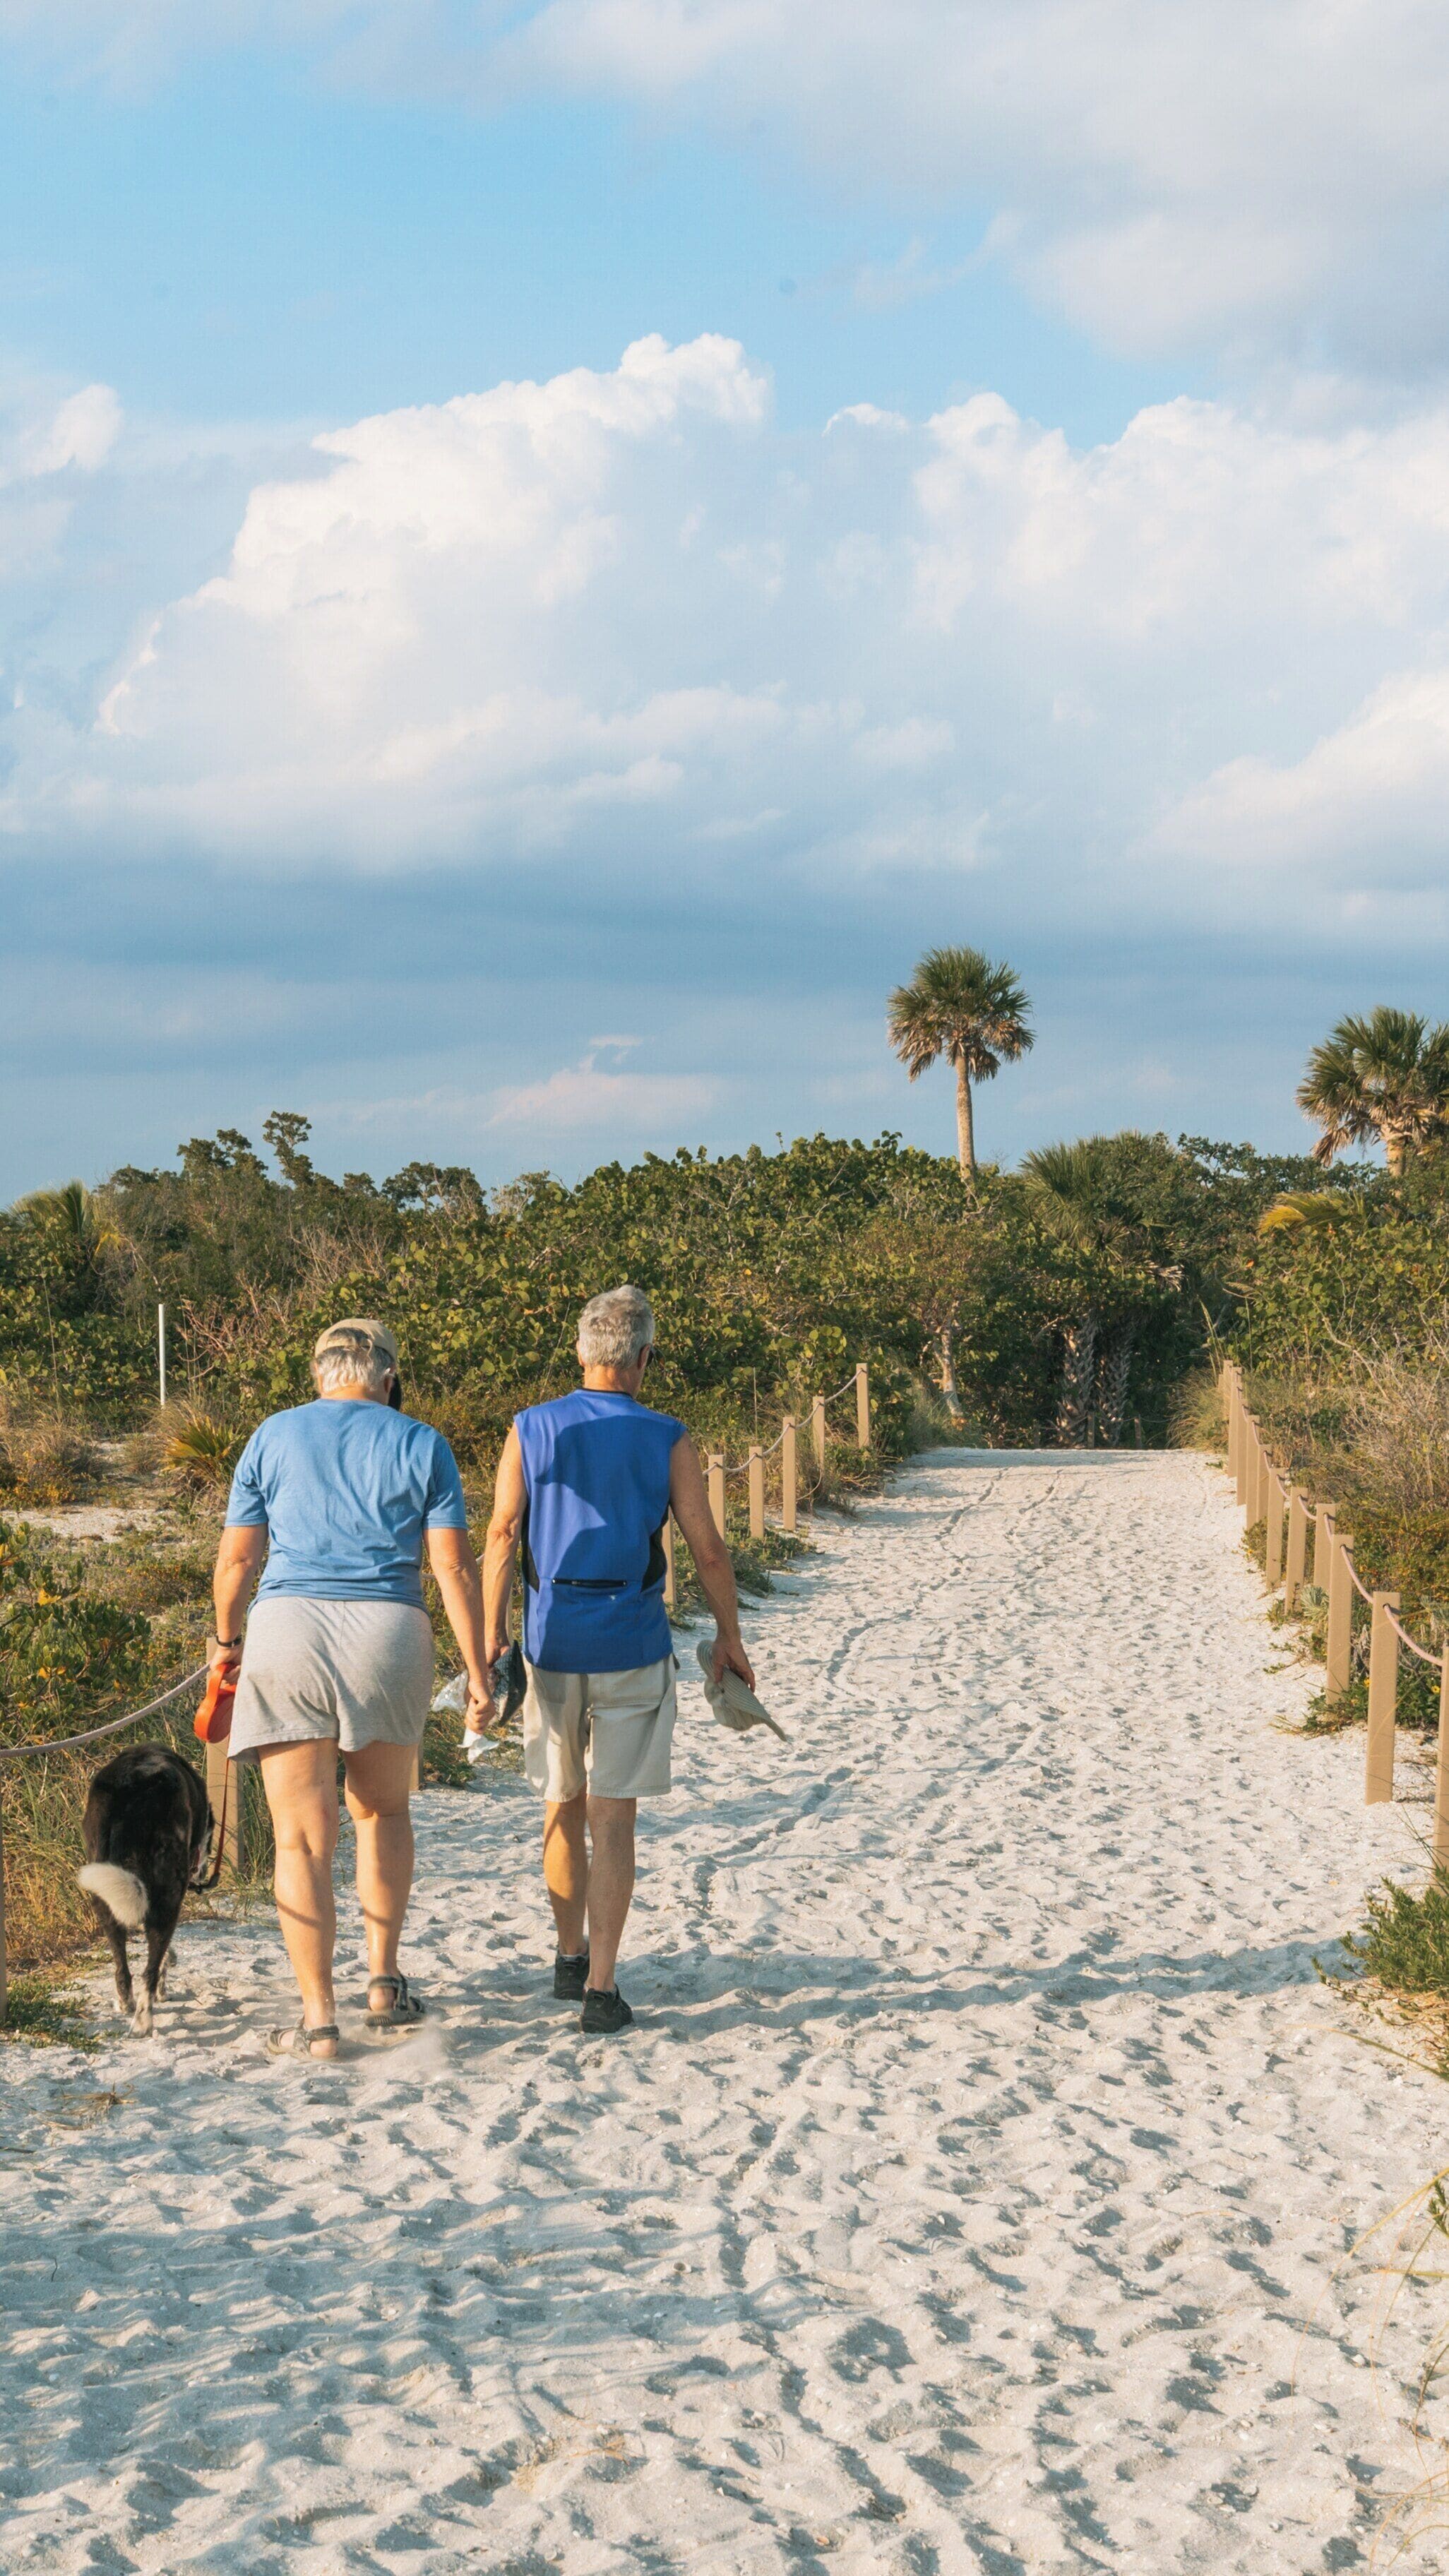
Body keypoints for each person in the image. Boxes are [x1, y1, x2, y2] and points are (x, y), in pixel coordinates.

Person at [210, 1318, 493, 2059]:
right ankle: (383, 1982)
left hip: (289, 1628)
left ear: (318, 1375)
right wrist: (480, 1668)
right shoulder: (422, 1442)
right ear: (389, 1377)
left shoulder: (273, 1434)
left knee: (302, 1837)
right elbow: (453, 1570)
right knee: (382, 1810)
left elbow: (238, 1562)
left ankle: (318, 2019)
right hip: (387, 1631)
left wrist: (227, 1642)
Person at [483, 1284, 753, 2035]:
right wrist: (729, 1637)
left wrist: (488, 1641)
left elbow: (503, 1537)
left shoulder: (530, 1428)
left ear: (580, 1351)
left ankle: (568, 1954)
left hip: (551, 1640)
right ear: (644, 1358)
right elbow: (706, 1548)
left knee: (560, 1806)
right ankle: (603, 1986)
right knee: (615, 1819)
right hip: (632, 1640)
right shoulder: (665, 1434)